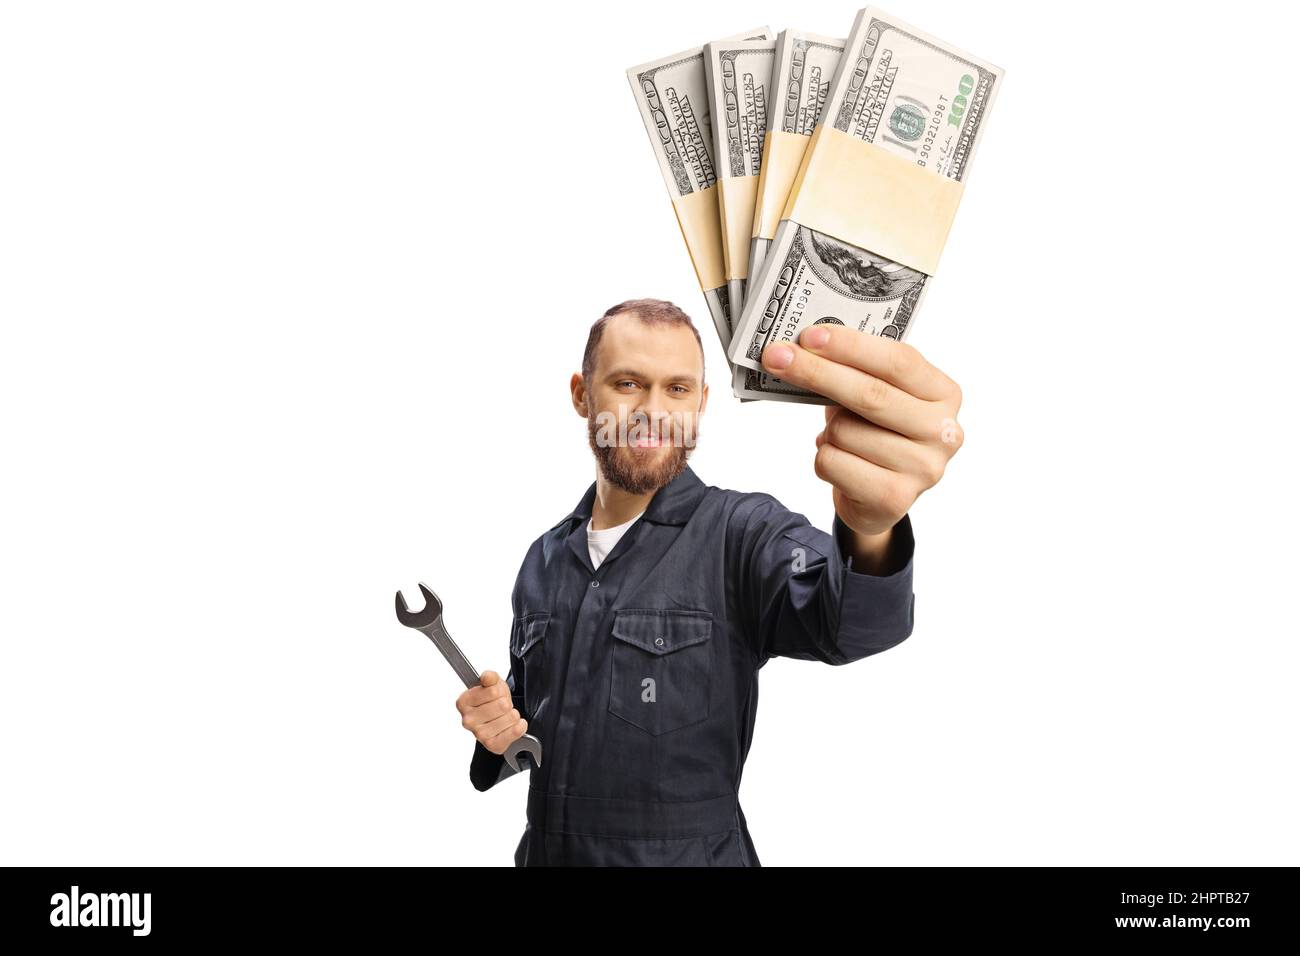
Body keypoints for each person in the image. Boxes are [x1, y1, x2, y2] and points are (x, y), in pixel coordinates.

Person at [456, 297, 964, 866]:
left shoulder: (741, 535)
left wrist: (871, 530)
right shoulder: (542, 559)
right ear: (582, 394)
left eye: (677, 390)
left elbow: (850, 626)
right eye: (627, 384)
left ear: (700, 403)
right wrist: (496, 736)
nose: (653, 410)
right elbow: (532, 728)